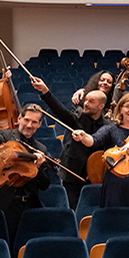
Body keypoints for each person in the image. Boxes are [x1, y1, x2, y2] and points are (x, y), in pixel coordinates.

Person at [69, 92, 129, 218]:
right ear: (120, 109)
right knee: (113, 221)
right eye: (127, 106)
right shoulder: (111, 129)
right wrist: (83, 136)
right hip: (114, 185)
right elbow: (93, 140)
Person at [32, 76, 109, 207]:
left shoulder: (107, 125)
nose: (85, 103)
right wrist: (45, 91)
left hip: (97, 174)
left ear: (101, 106)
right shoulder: (78, 117)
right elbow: (60, 111)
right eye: (85, 100)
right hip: (73, 173)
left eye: (91, 101)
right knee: (74, 206)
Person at [0, 103, 52, 241]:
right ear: (19, 118)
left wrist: (37, 169)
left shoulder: (40, 149)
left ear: (39, 124)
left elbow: (44, 185)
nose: (29, 125)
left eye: (34, 122)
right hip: (1, 203)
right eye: (26, 120)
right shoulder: (4, 136)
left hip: (27, 206)